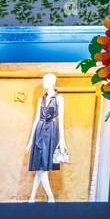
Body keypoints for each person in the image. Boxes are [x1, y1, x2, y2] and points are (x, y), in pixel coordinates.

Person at [22, 73, 67, 202]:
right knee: (40, 167)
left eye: (46, 80)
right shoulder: (40, 99)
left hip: (51, 132)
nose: (44, 82)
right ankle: (33, 198)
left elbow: (61, 120)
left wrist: (62, 139)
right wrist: (30, 141)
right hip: (39, 131)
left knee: (43, 167)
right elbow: (36, 119)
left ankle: (49, 197)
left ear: (53, 82)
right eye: (43, 79)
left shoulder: (60, 99)